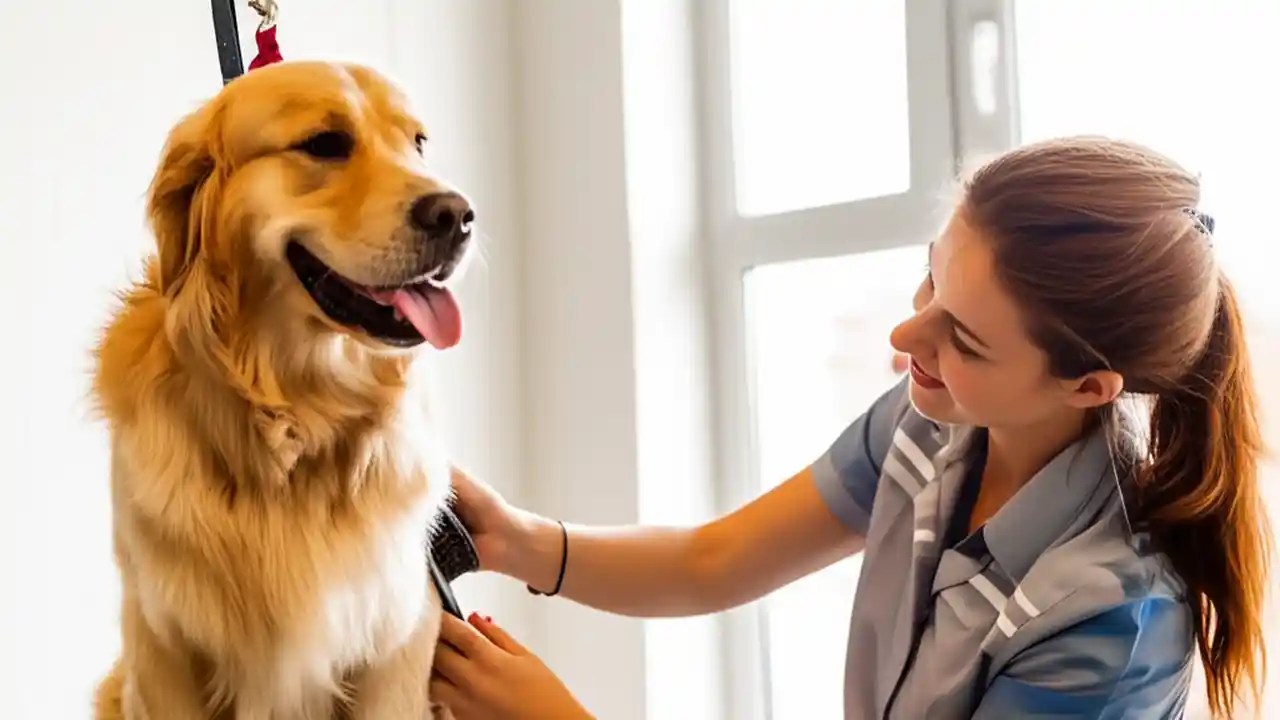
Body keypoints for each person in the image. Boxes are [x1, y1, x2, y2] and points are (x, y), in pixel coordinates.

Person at [428, 136, 1270, 719]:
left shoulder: (1108, 628)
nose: (908, 338)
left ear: (1088, 385)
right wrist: (519, 541)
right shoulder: (929, 425)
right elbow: (713, 560)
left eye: (964, 338)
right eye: (928, 280)